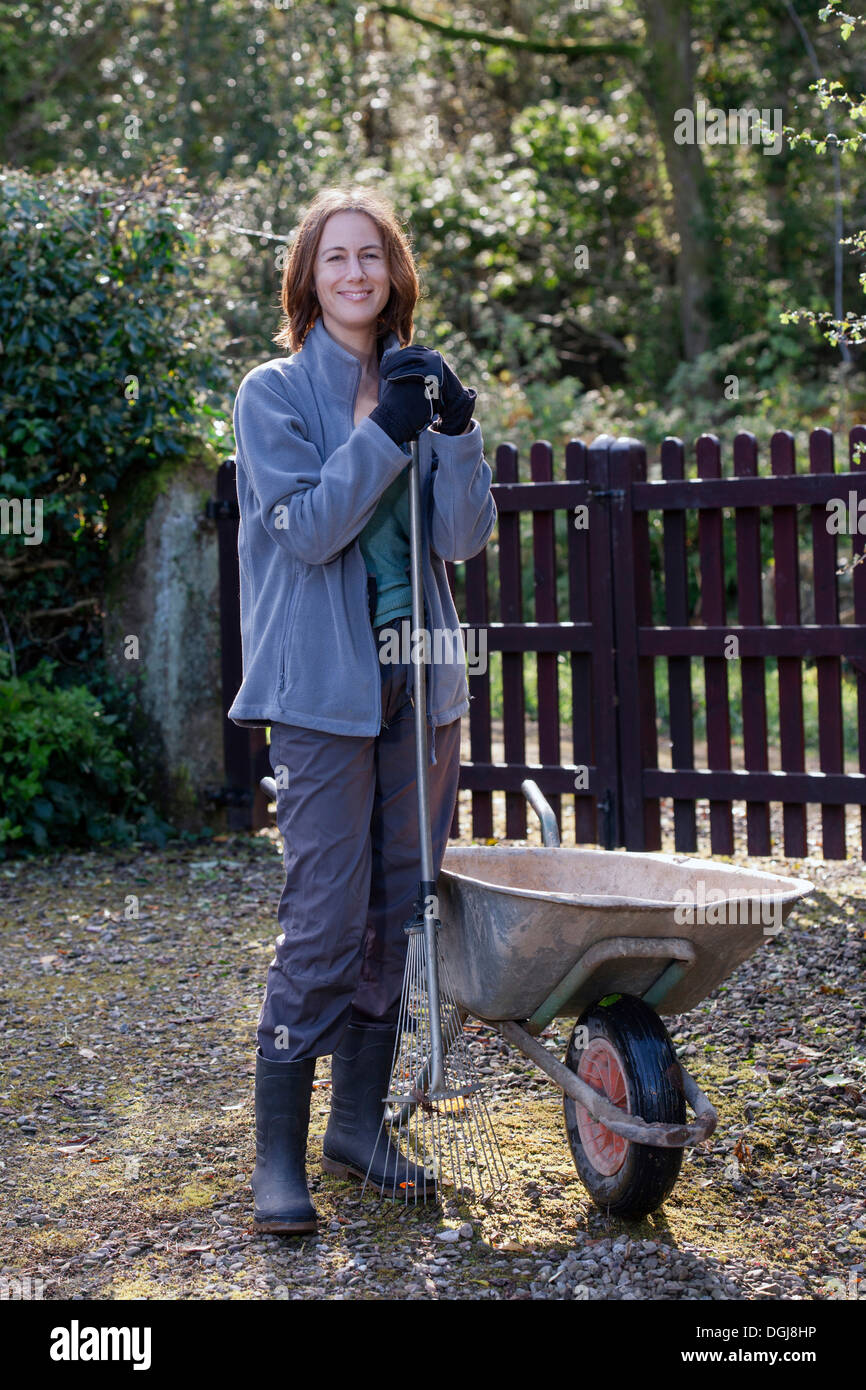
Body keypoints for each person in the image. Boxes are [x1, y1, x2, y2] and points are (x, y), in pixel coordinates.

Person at [228, 186, 496, 1234]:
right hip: (320, 695)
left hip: (419, 687)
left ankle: (358, 1127)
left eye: (370, 257)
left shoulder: (416, 388)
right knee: (325, 915)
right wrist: (385, 429)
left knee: (398, 904)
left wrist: (457, 429)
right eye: (333, 258)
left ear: (393, 276)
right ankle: (278, 1160)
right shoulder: (274, 394)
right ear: (307, 278)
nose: (353, 273)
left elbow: (464, 537)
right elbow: (307, 530)